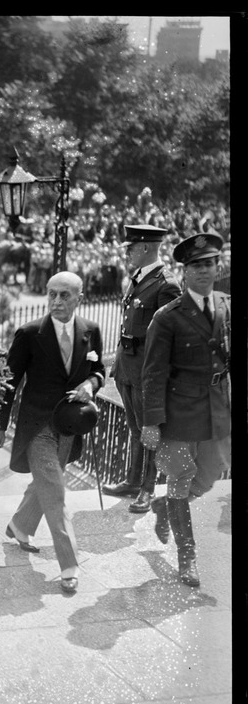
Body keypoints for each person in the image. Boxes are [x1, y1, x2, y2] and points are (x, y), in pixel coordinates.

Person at [0, 271, 105, 594]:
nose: (56, 301)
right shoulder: (29, 334)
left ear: (79, 298)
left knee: (45, 483)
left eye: (64, 295)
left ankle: (20, 525)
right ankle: (69, 564)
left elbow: (99, 370)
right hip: (37, 426)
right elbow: (9, 382)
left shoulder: (91, 330)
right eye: (52, 294)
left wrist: (90, 384)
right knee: (55, 491)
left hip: (69, 425)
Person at [140, 233, 230, 587]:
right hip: (178, 410)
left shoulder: (225, 306)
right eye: (197, 265)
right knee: (180, 476)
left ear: (218, 267)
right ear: (185, 271)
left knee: (211, 473)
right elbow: (153, 373)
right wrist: (151, 422)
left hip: (216, 406)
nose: (204, 271)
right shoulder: (168, 317)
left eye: (210, 263)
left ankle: (165, 507)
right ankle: (187, 556)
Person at [102, 225, 181, 514]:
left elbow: (168, 339)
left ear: (146, 247)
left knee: (149, 431)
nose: (127, 253)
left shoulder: (166, 284)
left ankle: (147, 489)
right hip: (127, 366)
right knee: (135, 428)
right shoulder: (139, 278)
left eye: (131, 248)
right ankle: (133, 481)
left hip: (146, 372)